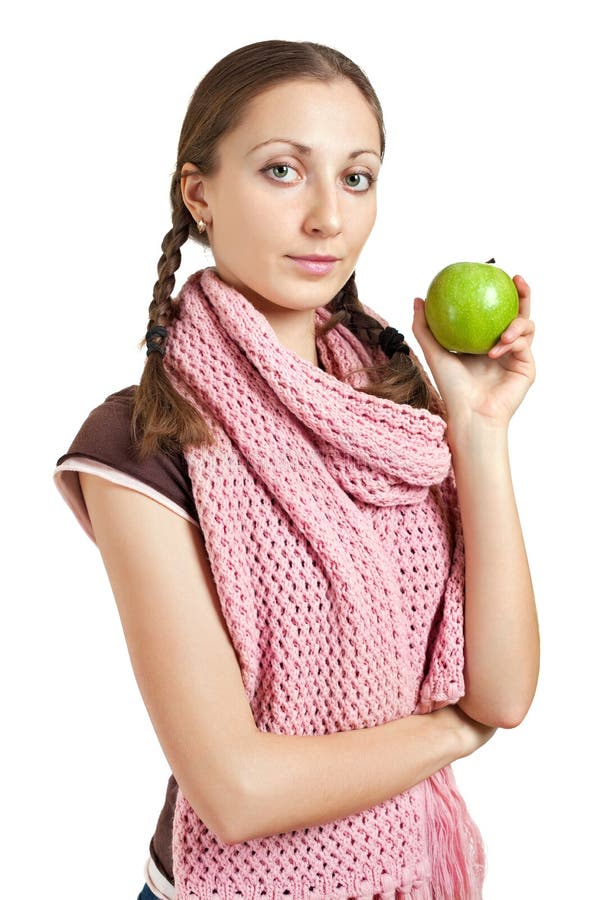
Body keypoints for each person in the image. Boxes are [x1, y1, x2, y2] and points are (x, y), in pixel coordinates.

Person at [53, 39, 539, 900]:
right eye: (283, 171)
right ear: (198, 193)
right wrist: (446, 737)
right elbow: (236, 791)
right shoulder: (144, 440)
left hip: (413, 872)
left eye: (356, 177)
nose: (328, 218)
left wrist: (478, 425)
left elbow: (501, 689)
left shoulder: (396, 405)